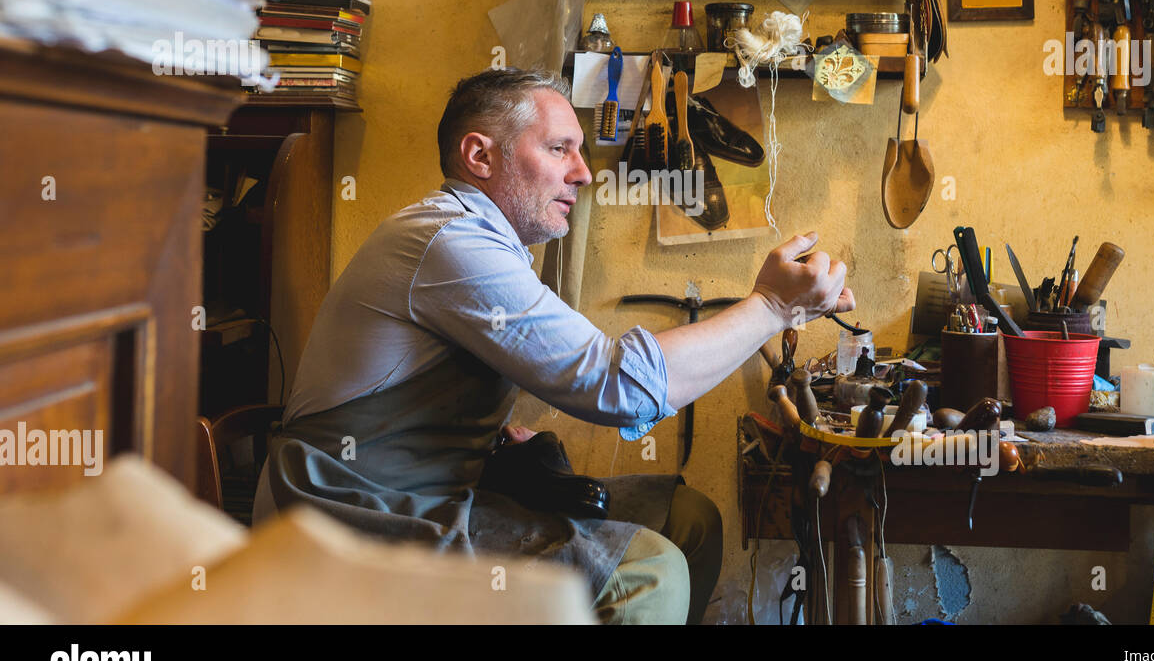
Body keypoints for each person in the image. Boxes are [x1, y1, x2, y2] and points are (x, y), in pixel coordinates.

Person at [252, 67, 854, 624]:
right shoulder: (449, 241)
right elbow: (617, 386)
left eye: (581, 152)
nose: (584, 173)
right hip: (353, 512)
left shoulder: (492, 244)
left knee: (689, 518)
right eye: (559, 148)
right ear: (480, 155)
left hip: (441, 491)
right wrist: (773, 306)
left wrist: (487, 437)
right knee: (648, 572)